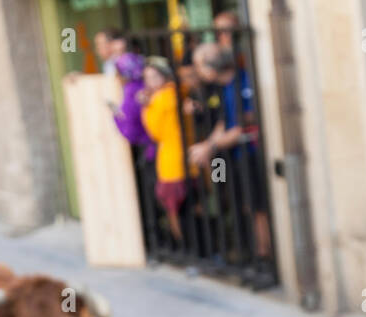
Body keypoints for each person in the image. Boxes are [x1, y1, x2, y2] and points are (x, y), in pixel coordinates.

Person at [187, 42, 271, 262]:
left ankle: (263, 255)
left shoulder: (242, 83)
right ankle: (245, 250)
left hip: (248, 154)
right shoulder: (224, 88)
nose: (197, 71)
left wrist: (210, 146)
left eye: (199, 65)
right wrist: (207, 146)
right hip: (228, 158)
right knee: (240, 202)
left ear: (212, 67)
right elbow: (223, 123)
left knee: (256, 206)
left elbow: (243, 126)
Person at [140, 57, 186, 242]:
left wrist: (145, 107)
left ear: (165, 76)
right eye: (147, 77)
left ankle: (186, 246)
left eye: (154, 76)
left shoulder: (160, 99)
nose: (149, 82)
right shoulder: (178, 91)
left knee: (173, 208)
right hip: (181, 156)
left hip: (171, 161)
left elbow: (155, 132)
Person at [110, 52, 151, 150]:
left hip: (148, 147)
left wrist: (116, 116)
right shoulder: (146, 85)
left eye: (118, 73)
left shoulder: (131, 92)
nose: (116, 77)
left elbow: (131, 133)